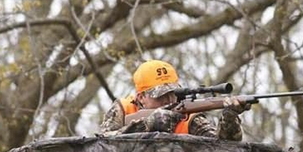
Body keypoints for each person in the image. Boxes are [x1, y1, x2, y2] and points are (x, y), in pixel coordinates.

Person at [97, 59, 249, 141]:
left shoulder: (187, 116)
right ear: (141, 97)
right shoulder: (124, 109)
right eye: (160, 95)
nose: (169, 99)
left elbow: (223, 147)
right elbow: (101, 142)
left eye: (173, 93)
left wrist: (230, 118)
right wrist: (147, 125)